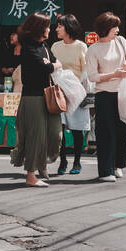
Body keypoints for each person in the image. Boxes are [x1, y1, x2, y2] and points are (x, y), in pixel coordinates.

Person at [8, 12, 62, 187]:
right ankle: (31, 175)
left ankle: (42, 164)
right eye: (47, 26)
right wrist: (53, 66)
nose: (50, 29)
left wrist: (53, 65)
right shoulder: (28, 48)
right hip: (32, 98)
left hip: (48, 96)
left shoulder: (45, 46)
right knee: (35, 137)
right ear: (39, 28)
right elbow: (45, 66)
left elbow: (52, 63)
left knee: (55, 135)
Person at [86, 12, 126, 182]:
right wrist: (113, 74)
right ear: (106, 28)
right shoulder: (93, 49)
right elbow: (92, 76)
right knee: (106, 132)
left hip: (123, 93)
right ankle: (106, 171)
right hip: (104, 94)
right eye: (115, 27)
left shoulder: (121, 42)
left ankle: (117, 165)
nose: (118, 30)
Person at [52, 13, 91, 177]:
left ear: (69, 27)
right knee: (58, 129)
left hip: (76, 92)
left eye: (60, 26)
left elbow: (86, 71)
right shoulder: (55, 46)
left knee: (77, 130)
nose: (57, 29)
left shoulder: (81, 46)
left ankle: (77, 161)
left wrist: (86, 93)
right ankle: (62, 160)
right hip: (59, 91)